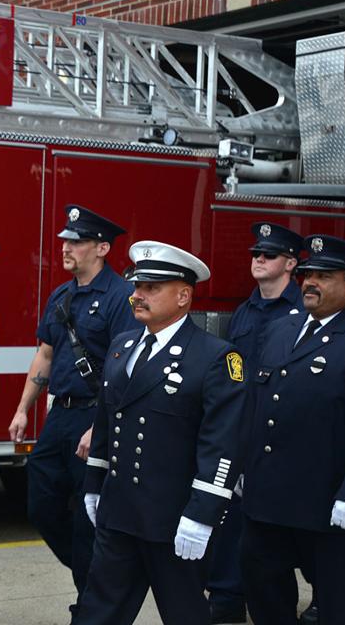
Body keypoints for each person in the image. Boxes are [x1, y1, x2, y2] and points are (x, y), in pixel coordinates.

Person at [78, 241, 246, 625]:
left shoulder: (215, 357)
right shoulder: (122, 348)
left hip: (174, 518)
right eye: (137, 286)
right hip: (119, 512)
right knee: (97, 612)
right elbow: (107, 422)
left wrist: (203, 514)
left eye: (151, 288)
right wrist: (93, 483)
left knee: (184, 613)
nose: (137, 295)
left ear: (184, 295)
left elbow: (222, 444)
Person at [240, 235, 345, 625]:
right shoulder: (283, 329)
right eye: (306, 274)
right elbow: (257, 405)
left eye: (323, 275)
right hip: (268, 500)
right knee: (263, 592)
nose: (310, 282)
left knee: (335, 605)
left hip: (330, 503)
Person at [8, 205, 134, 622]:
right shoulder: (61, 296)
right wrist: (23, 409)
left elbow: (123, 369)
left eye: (76, 241)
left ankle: (90, 604)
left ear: (101, 248)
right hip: (59, 417)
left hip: (94, 418)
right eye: (65, 239)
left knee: (87, 519)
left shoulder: (119, 298)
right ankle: (92, 576)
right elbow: (45, 354)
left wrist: (100, 427)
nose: (66, 247)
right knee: (40, 506)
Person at [206, 222, 303, 624]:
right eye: (255, 254)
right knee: (230, 518)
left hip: (282, 434)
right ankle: (228, 596)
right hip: (241, 427)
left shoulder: (302, 312)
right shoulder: (245, 310)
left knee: (280, 527)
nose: (258, 260)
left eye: (268, 255)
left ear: (291, 264)